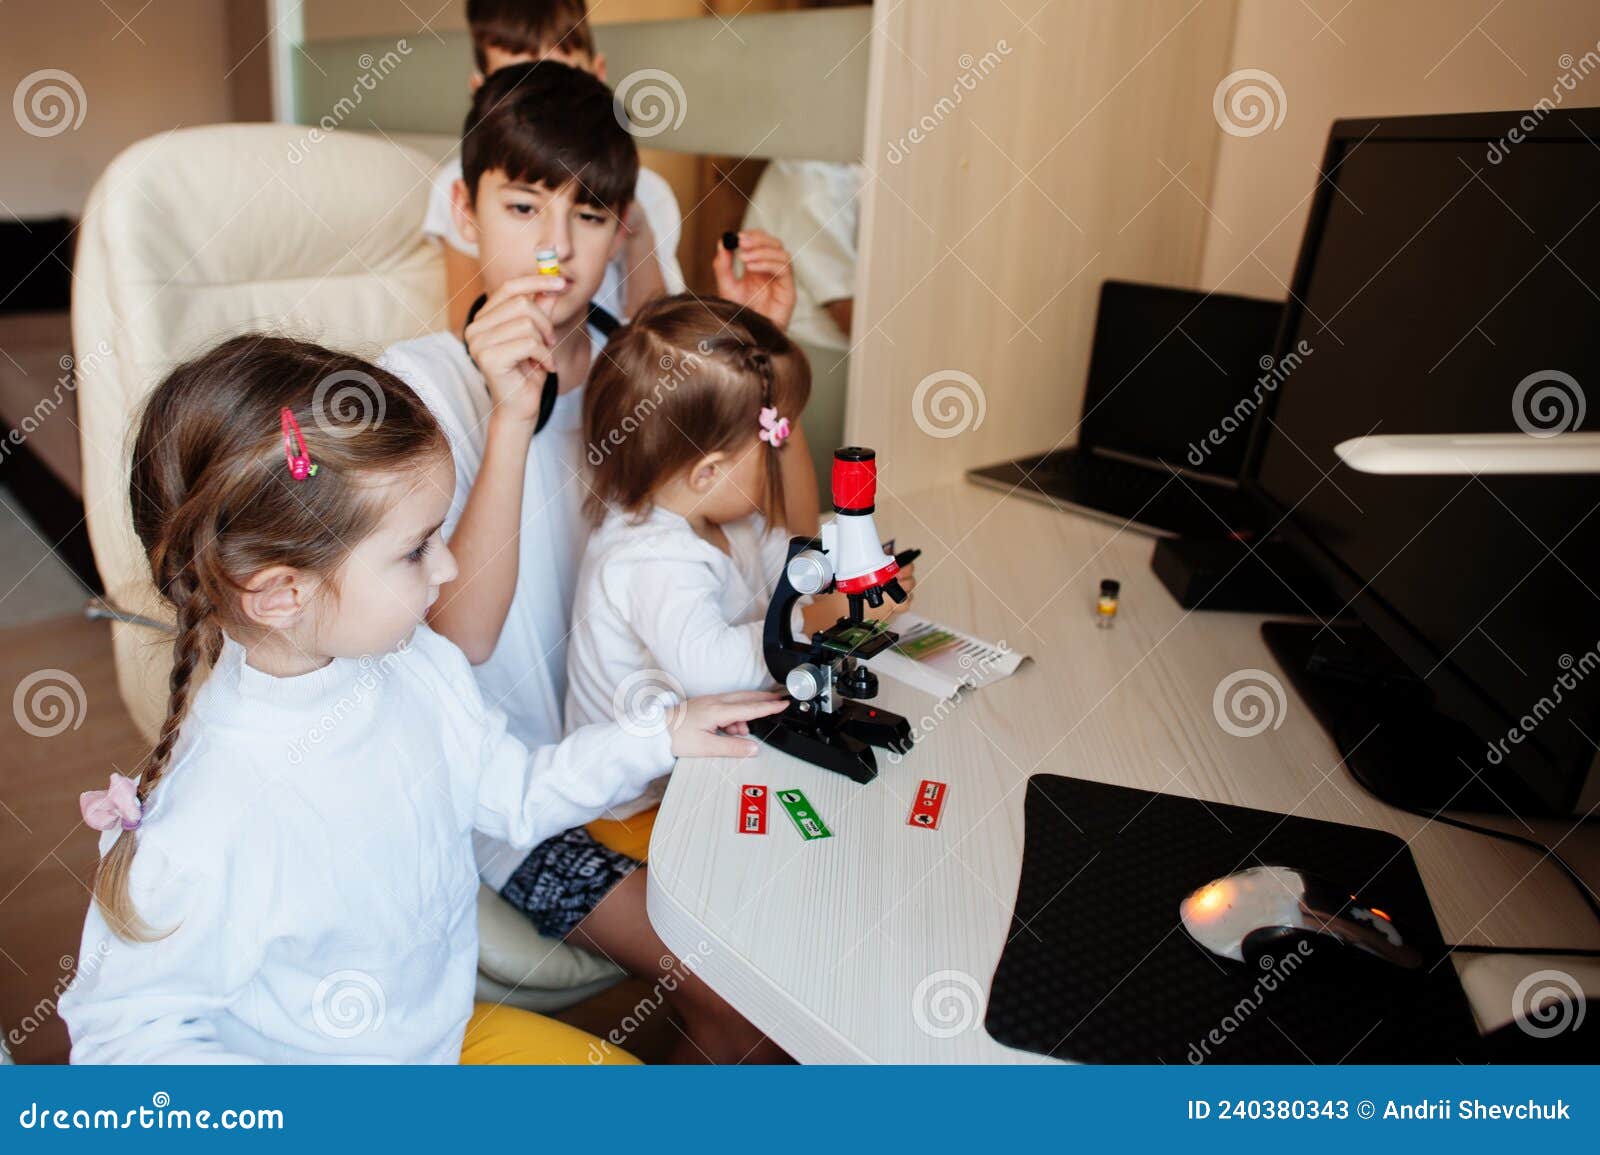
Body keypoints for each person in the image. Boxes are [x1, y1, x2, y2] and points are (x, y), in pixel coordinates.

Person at [57, 336, 783, 1064]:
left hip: (439, 1043)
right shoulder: (214, 811)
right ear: (281, 593)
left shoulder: (418, 664)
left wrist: (661, 733)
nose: (449, 564)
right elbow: (122, 1039)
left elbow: (514, 795)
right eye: (416, 548)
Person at [382, 62, 809, 1063]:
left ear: (621, 232)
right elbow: (460, 636)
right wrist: (510, 414)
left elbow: (794, 535)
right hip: (518, 802)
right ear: (465, 211)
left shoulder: (640, 374)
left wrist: (764, 364)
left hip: (662, 755)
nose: (556, 249)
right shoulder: (416, 389)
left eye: (589, 215)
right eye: (522, 207)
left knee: (823, 931)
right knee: (740, 997)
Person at [568, 294, 915, 819]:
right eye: (776, 442)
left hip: (705, 759)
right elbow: (712, 672)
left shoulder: (727, 518)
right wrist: (821, 619)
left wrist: (852, 585)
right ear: (708, 472)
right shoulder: (647, 558)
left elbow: (788, 573)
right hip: (641, 802)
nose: (785, 454)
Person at [425, 0, 685, 331]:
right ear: (481, 92)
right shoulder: (470, 186)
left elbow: (658, 335)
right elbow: (465, 326)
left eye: (589, 215)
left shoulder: (647, 192)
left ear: (597, 75)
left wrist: (638, 237)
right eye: (519, 84)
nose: (546, 104)